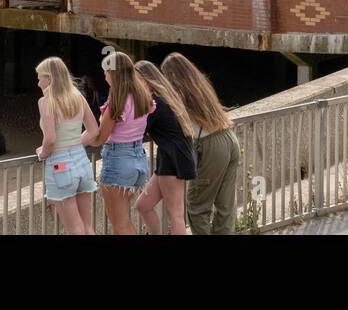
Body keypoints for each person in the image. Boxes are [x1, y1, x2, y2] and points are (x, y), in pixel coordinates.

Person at [161, 53, 241, 235]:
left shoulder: (177, 93)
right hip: (229, 138)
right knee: (225, 206)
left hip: (211, 144)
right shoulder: (200, 85)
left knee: (197, 207)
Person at [90, 50, 156, 235]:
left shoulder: (116, 104)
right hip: (138, 161)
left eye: (106, 71)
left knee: (120, 224)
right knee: (124, 221)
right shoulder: (142, 98)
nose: (104, 75)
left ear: (114, 73)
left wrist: (80, 139)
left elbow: (100, 138)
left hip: (118, 162)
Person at [35, 57, 100, 235]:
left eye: (40, 77)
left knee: (74, 228)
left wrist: (43, 154)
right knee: (86, 226)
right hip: (81, 161)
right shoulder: (77, 97)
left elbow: (50, 139)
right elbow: (94, 130)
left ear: (50, 79)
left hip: (59, 165)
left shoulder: (46, 101)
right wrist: (72, 145)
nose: (38, 82)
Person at [133, 60, 197, 235]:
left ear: (145, 81)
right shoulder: (166, 98)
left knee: (175, 214)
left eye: (135, 80)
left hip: (172, 160)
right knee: (142, 205)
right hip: (172, 158)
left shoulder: (153, 103)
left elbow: (138, 130)